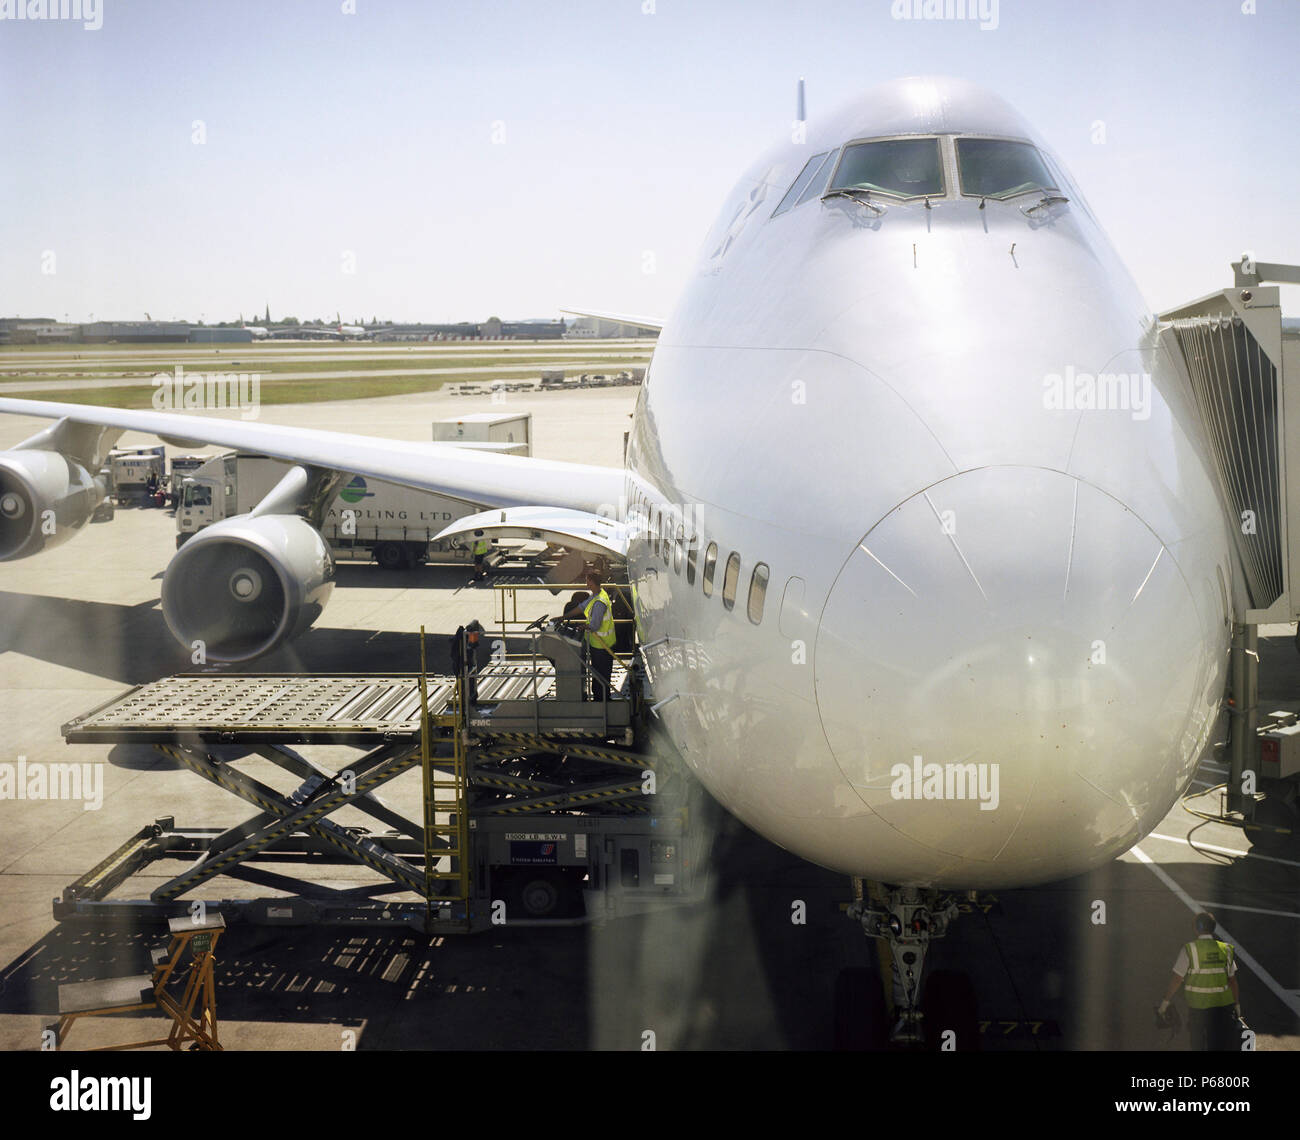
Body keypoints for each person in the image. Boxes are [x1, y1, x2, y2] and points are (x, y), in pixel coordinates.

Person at [1158, 911, 1243, 1051]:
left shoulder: (1189, 950)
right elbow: (1232, 981)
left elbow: (1177, 979)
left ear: (1196, 928)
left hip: (1198, 1008)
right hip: (1223, 1008)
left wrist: (1165, 1002)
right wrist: (1237, 1004)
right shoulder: (1225, 949)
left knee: (1197, 1043)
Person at [570, 569, 615, 700]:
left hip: (602, 644)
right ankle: (601, 698)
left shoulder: (599, 602)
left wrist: (582, 627)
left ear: (591, 582)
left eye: (587, 580)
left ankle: (602, 701)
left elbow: (594, 625)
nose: (585, 583)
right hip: (600, 643)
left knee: (601, 674)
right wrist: (563, 617)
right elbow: (582, 607)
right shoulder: (597, 595)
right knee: (600, 673)